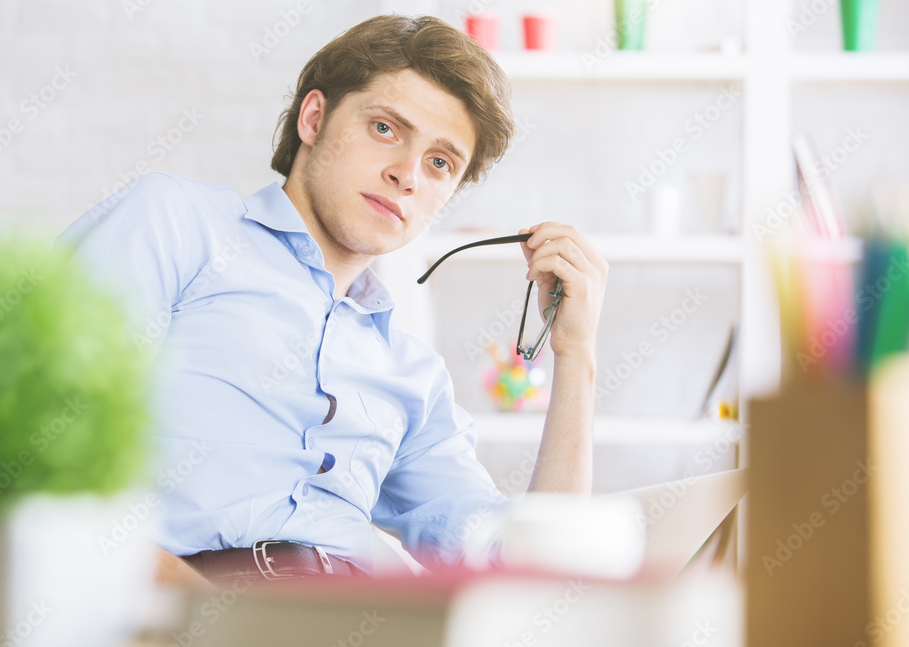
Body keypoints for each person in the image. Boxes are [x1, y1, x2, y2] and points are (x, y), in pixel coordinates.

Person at [55, 14, 607, 585]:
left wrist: (577, 354)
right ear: (314, 118)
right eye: (385, 129)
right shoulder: (176, 225)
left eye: (440, 163)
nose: (408, 175)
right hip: (190, 603)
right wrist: (188, 604)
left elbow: (534, 570)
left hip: (357, 615)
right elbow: (38, 438)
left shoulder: (413, 377)